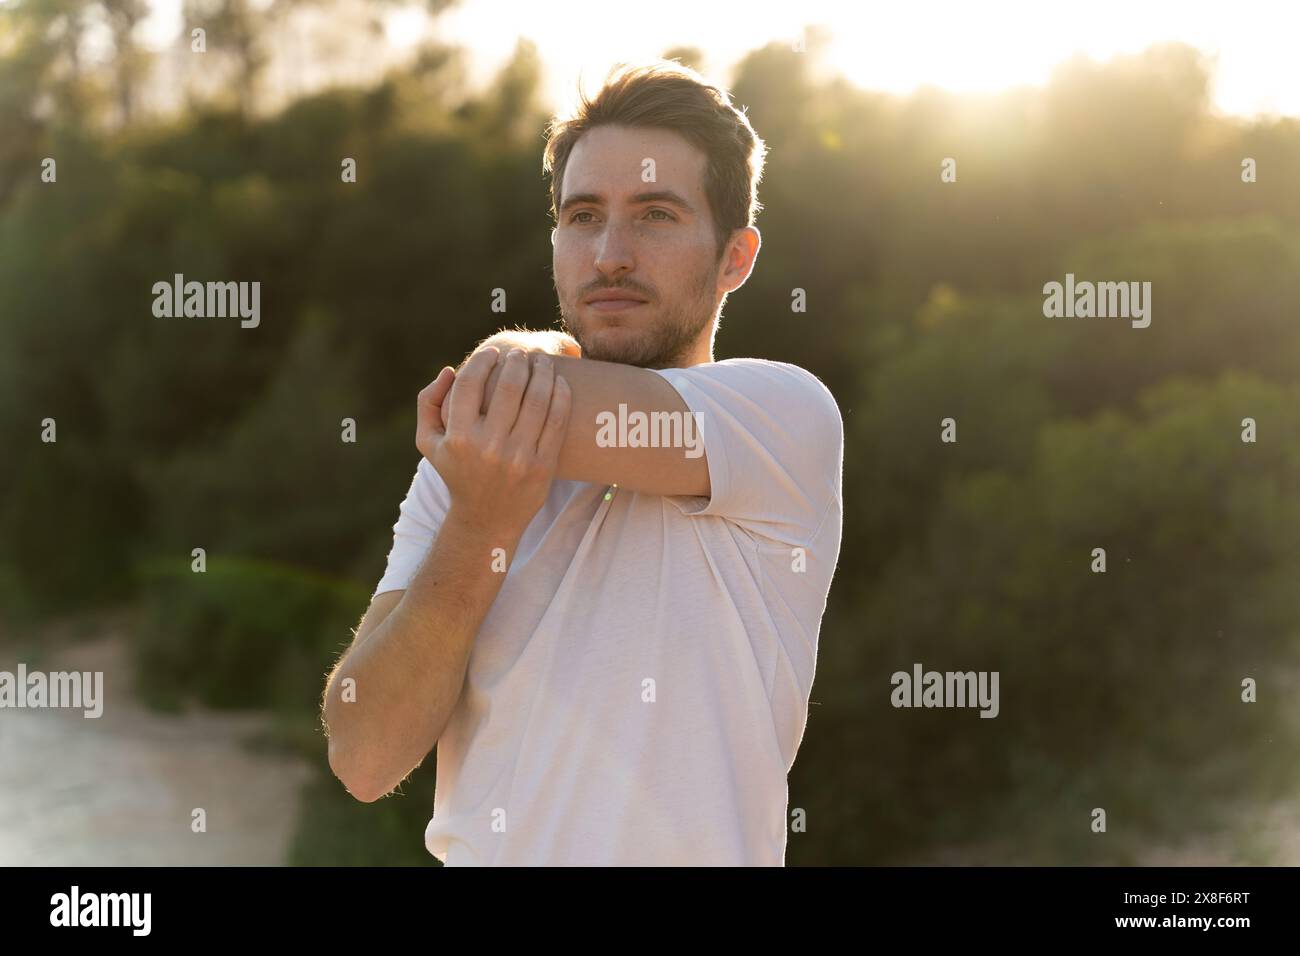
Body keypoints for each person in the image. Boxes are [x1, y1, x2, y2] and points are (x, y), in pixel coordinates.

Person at [322, 60, 843, 866]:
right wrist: (482, 525)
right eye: (583, 215)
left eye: (656, 215)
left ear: (735, 258)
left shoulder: (782, 421)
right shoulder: (472, 467)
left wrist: (504, 363)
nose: (609, 255)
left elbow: (509, 388)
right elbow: (362, 757)